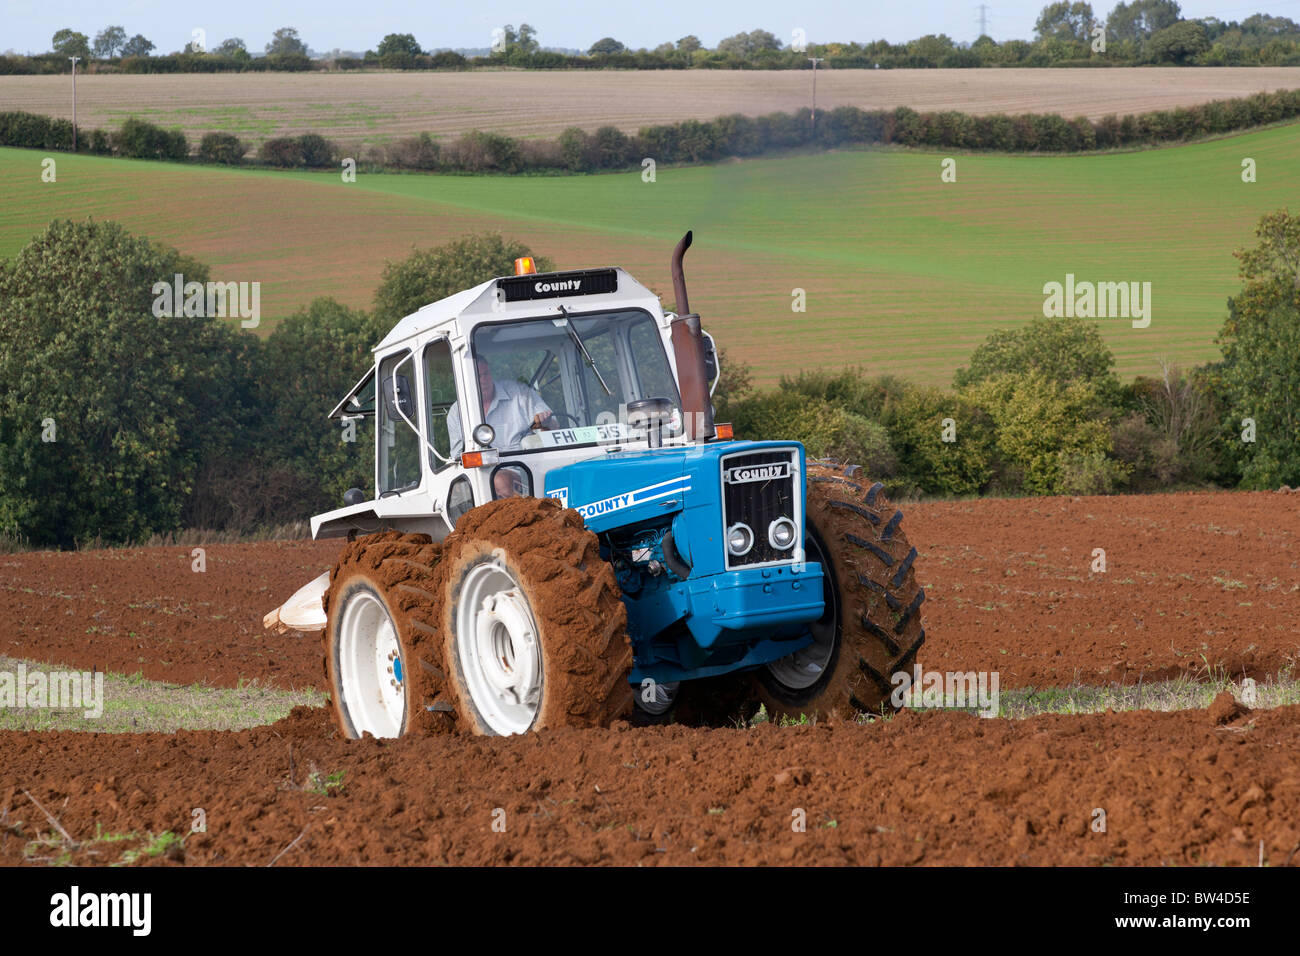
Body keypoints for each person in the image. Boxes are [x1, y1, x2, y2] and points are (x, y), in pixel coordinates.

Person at [448, 355, 555, 466]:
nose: (484, 380)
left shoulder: (519, 393)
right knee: (501, 479)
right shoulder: (457, 412)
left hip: (532, 465)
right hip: (488, 474)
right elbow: (458, 459)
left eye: (486, 374)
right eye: (478, 376)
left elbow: (554, 427)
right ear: (467, 381)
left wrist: (546, 423)